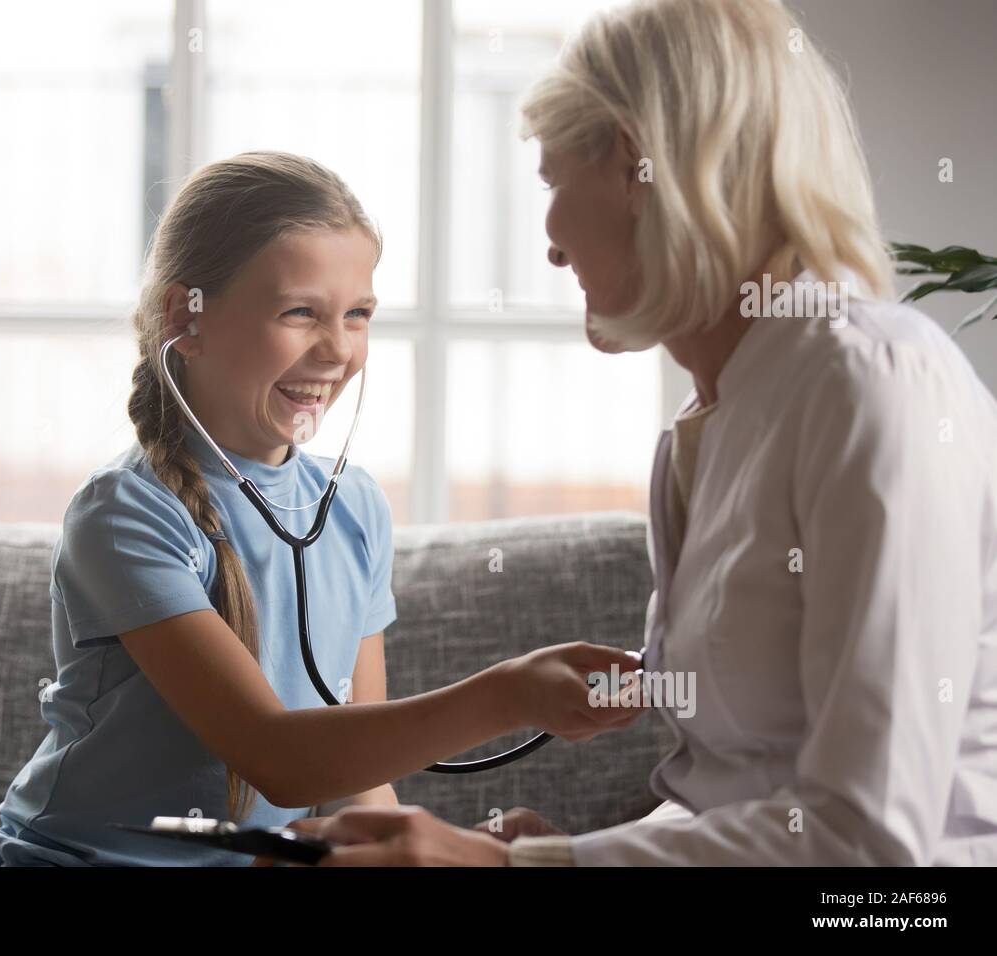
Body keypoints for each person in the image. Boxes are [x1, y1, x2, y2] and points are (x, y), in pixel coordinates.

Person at [284, 0, 997, 866]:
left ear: (635, 165)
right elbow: (732, 796)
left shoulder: (870, 385)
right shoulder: (714, 424)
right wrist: (576, 853)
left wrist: (521, 868)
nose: (549, 245)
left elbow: (867, 846)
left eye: (550, 181)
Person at [0, 151, 642, 866]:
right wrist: (510, 694)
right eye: (300, 312)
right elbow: (277, 758)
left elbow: (354, 791)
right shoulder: (127, 513)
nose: (338, 349)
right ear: (185, 321)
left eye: (358, 315)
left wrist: (459, 853)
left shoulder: (356, 509)